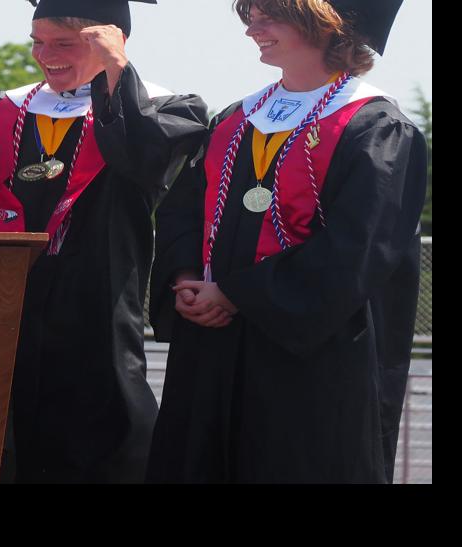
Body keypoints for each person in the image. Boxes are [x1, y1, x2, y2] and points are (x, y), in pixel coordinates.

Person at [0, 0, 207, 483]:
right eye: (38, 42)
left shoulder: (165, 108)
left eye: (64, 43)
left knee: (99, 438)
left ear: (111, 40)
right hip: (3, 302)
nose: (46, 55)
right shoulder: (3, 108)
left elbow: (142, 160)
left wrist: (118, 71)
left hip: (96, 306)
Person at [147, 0, 426, 483]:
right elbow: (181, 210)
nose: (253, 26)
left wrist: (235, 294)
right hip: (212, 349)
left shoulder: (376, 128)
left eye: (269, 13)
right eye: (250, 13)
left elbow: (356, 252)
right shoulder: (237, 119)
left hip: (309, 361)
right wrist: (187, 278)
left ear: (327, 22)